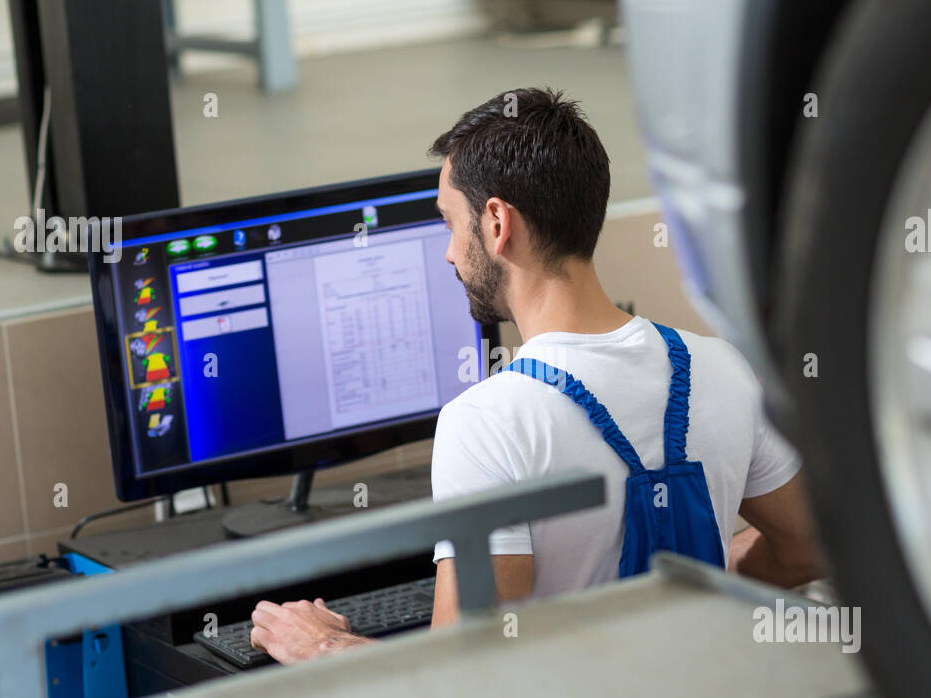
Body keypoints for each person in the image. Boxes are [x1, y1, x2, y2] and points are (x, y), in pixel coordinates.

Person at [251, 88, 825, 663]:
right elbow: (808, 549)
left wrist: (323, 645)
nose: (450, 253)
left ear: (497, 223)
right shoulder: (720, 367)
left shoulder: (485, 423)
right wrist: (687, 587)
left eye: (450, 224)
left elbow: (457, 674)